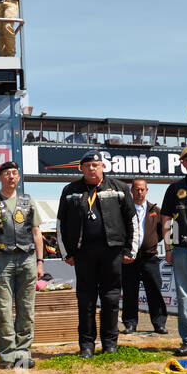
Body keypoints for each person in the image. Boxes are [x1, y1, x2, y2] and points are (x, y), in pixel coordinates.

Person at [57, 150, 137, 357]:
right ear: (81, 168)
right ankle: (86, 345)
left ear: (103, 166)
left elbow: (132, 220)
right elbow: (61, 225)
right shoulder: (70, 190)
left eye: (95, 165)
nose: (91, 169)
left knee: (111, 300)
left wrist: (130, 249)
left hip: (112, 252)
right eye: (87, 166)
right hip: (83, 254)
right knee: (86, 301)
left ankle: (110, 343)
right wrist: (66, 253)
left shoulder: (119, 188)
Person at [0, 160, 43, 369]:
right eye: (7, 173)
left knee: (26, 309)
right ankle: (7, 355)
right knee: (3, 309)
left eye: (15, 173)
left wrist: (40, 262)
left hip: (27, 259)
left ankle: (23, 354)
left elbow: (37, 233)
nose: (12, 177)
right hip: (1, 260)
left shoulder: (28, 200)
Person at [160, 145, 187, 357]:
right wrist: (168, 247)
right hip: (183, 248)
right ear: (183, 164)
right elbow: (166, 220)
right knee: (184, 295)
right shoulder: (174, 188)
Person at [121, 178, 167, 335]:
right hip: (129, 258)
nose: (139, 192)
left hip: (150, 257)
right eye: (136, 189)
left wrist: (151, 242)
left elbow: (163, 231)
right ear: (131, 191)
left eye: (142, 189)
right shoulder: (124, 210)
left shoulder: (156, 210)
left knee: (155, 290)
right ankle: (130, 324)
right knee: (129, 291)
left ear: (147, 191)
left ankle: (159, 323)